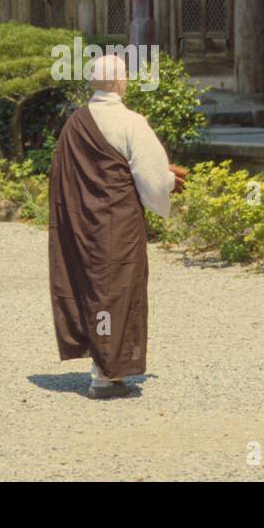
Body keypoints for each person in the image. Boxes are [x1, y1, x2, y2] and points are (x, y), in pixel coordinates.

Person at [47, 54, 186, 399]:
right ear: (120, 83)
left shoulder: (73, 123)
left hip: (82, 223)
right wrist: (171, 181)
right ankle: (105, 375)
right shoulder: (130, 122)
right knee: (117, 289)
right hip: (118, 221)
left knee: (93, 286)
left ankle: (102, 364)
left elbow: (61, 179)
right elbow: (151, 176)